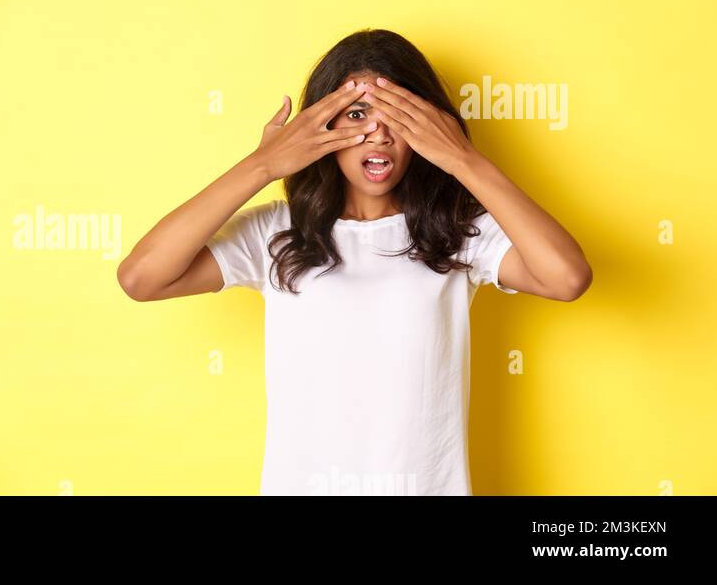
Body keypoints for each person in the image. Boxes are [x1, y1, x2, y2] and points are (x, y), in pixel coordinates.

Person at [115, 29, 592, 495]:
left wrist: (463, 159)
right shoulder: (276, 234)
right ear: (320, 129)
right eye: (358, 114)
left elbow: (567, 278)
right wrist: (262, 165)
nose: (377, 134)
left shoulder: (456, 233)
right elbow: (142, 277)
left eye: (398, 116)